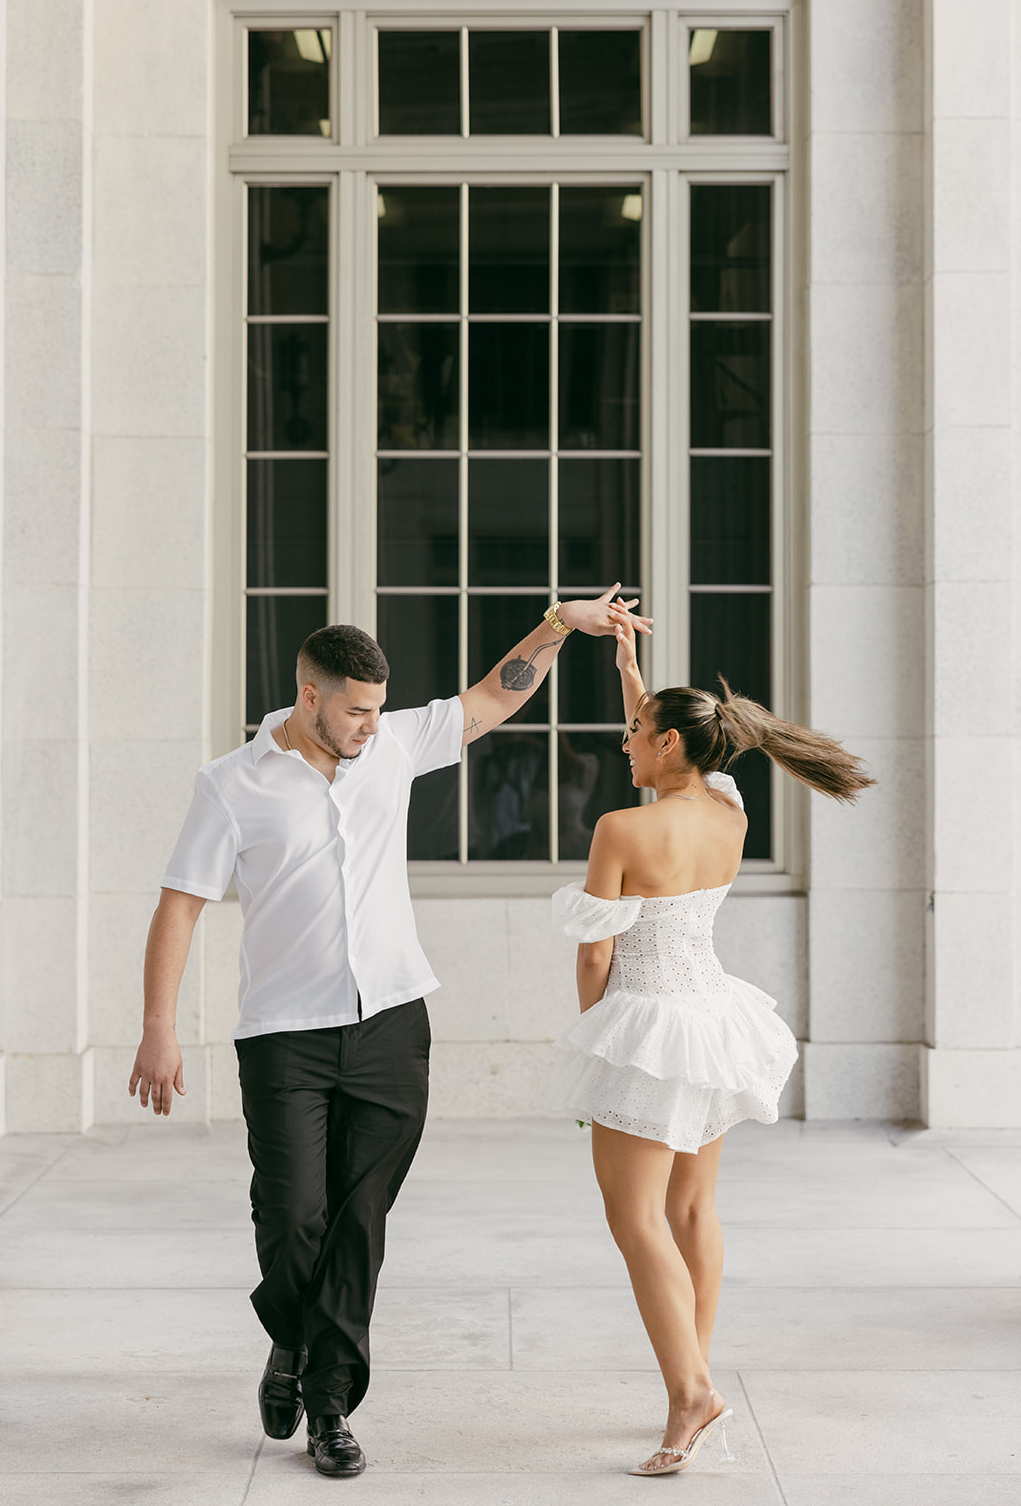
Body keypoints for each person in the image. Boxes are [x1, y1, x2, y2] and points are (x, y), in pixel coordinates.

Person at [128, 586, 650, 1480]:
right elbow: (179, 906)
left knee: (358, 1221)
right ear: (310, 697)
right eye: (356, 711)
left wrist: (559, 625)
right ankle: (293, 1340)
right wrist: (156, 1029)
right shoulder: (230, 785)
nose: (372, 726)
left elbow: (489, 700)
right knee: (292, 1216)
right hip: (284, 1036)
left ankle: (328, 1404)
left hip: (393, 1026)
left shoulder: (393, 743)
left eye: (379, 709)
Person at [550, 608, 873, 1477]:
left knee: (633, 1218)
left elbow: (596, 953)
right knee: (691, 1211)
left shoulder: (621, 830)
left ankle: (691, 1392)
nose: (623, 742)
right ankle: (688, 1381)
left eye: (634, 732)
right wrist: (629, 672)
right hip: (715, 1024)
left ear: (665, 744)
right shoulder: (727, 808)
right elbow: (678, 752)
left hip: (647, 1027)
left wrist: (596, 1043)